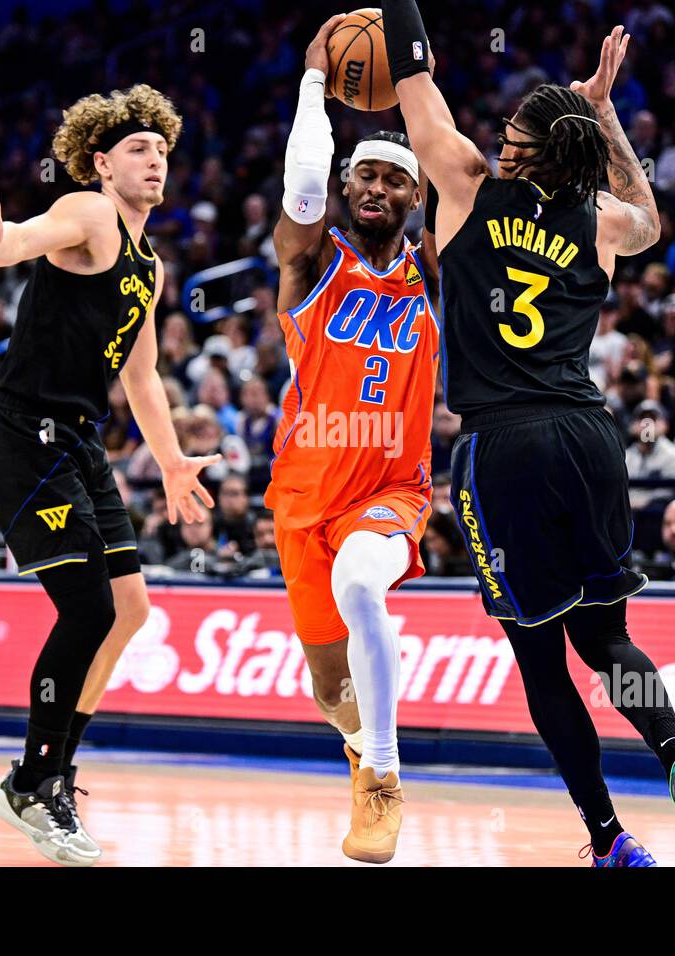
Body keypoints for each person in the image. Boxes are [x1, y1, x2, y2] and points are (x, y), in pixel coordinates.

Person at [386, 10, 675, 866]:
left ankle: (610, 838)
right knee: (608, 638)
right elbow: (651, 220)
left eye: (513, 131)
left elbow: (413, 86)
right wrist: (606, 112)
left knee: (543, 662)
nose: (498, 137)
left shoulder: (467, 185)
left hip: (502, 446)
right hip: (589, 437)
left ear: (527, 149)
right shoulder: (599, 222)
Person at [0, 83, 218, 865]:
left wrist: (173, 462)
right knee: (88, 610)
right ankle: (36, 781)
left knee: (131, 608)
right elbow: (33, 235)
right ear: (102, 163)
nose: (154, 162)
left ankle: (52, 775)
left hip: (77, 440)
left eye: (163, 151)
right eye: (139, 149)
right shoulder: (91, 211)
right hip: (21, 435)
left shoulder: (150, 263)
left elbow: (141, 377)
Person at [265, 15, 439, 864]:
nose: (374, 187)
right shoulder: (309, 261)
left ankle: (384, 775)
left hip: (391, 491)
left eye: (392, 180)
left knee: (362, 585)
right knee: (327, 686)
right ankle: (360, 746)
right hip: (300, 499)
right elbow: (302, 188)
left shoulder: (434, 271)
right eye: (362, 175)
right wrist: (310, 82)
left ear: (413, 198)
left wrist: (413, 79)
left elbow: (450, 162)